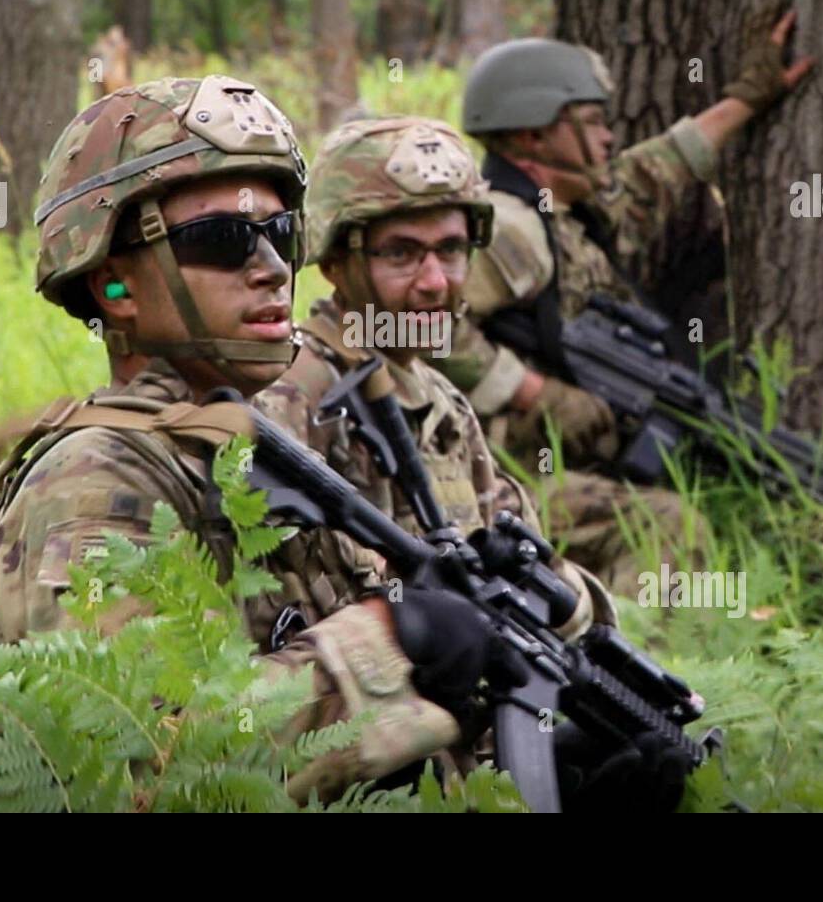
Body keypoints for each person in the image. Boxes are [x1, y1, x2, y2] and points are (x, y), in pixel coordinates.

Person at [0, 76, 519, 804]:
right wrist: (390, 641)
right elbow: (153, 764)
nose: (272, 267)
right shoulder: (93, 481)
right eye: (221, 240)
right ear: (112, 284)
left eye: (281, 233)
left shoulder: (251, 453)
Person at [433, 7, 814, 595]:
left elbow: (650, 173)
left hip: (551, 467)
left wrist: (747, 99)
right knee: (663, 525)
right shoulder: (507, 229)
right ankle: (632, 676)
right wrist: (534, 392)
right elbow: (420, 327)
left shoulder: (565, 215)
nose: (610, 135)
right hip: (492, 477)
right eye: (590, 120)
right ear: (533, 135)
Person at [254, 115, 616, 638]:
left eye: (450, 251)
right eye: (401, 253)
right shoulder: (293, 397)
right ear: (335, 262)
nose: (434, 282)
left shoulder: (443, 401)